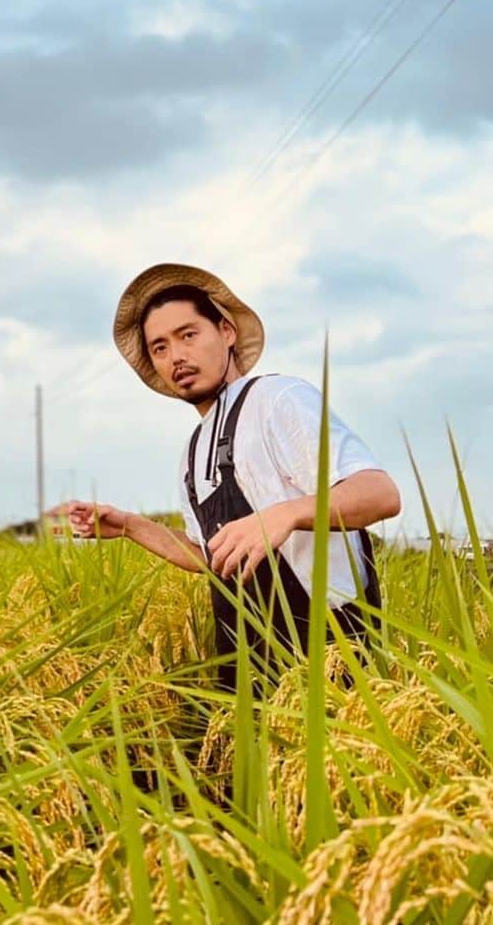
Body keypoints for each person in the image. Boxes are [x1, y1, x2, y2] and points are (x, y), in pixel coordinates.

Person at [57, 263, 401, 692]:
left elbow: (380, 494)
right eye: (160, 348)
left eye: (188, 335)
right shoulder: (193, 451)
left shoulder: (277, 400)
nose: (176, 356)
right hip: (248, 670)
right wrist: (129, 525)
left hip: (330, 663)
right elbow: (211, 556)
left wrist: (284, 515)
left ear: (226, 332)